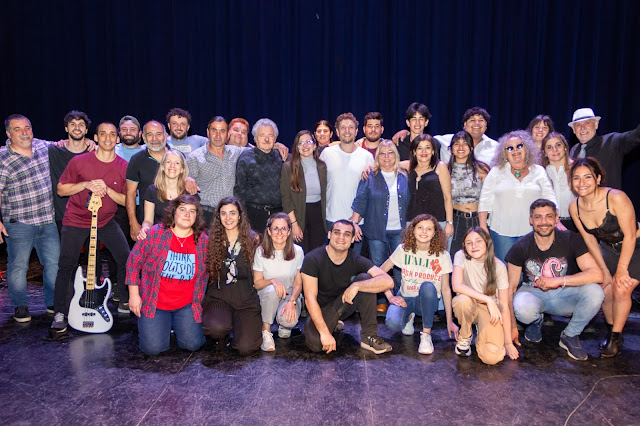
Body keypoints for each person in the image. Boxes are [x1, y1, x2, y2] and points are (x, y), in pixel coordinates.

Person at [50, 122, 130, 336]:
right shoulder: (79, 162)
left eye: (112, 134)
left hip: (105, 221)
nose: (107, 138)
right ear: (95, 137)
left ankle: (125, 299)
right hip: (76, 220)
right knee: (66, 265)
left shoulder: (123, 166)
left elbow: (127, 201)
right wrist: (85, 184)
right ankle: (60, 313)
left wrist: (108, 190)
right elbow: (61, 189)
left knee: (125, 257)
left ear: (117, 139)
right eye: (103, 134)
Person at [506, 199, 604, 360]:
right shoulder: (520, 246)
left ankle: (570, 335)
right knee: (523, 309)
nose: (543, 222)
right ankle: (536, 322)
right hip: (533, 292)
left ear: (556, 218)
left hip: (564, 293)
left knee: (595, 292)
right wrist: (511, 326)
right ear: (531, 220)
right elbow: (510, 289)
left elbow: (597, 274)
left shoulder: (571, 239)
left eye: (548, 216)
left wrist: (559, 281)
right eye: (538, 217)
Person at [569, 158, 640, 357]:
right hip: (608, 249)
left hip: (635, 247)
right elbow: (590, 240)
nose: (582, 183)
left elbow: (630, 235)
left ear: (598, 178)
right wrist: (604, 270)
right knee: (605, 288)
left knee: (621, 288)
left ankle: (616, 338)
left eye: (587, 177)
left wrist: (622, 269)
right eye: (576, 178)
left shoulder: (616, 198)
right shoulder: (574, 207)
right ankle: (612, 330)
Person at [126, 195, 209, 355]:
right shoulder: (155, 233)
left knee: (193, 344)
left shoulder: (203, 240)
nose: (187, 214)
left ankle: (177, 325)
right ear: (174, 212)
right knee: (153, 349)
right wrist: (134, 295)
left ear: (196, 216)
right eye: (182, 209)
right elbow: (133, 262)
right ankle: (160, 326)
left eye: (192, 211)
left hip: (186, 304)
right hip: (155, 303)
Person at [302, 220, 394, 354]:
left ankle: (369, 337)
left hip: (343, 305)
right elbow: (310, 299)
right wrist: (324, 333)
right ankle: (332, 323)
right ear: (329, 235)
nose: (341, 237)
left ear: (352, 239)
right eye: (337, 233)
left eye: (346, 234)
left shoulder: (355, 259)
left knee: (366, 280)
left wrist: (356, 285)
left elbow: (388, 281)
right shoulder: (313, 258)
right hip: (320, 310)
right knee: (317, 345)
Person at [0, 114, 59, 322]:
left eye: (27, 128)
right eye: (17, 129)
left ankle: (52, 302)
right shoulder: (3, 158)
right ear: (8, 134)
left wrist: (88, 143)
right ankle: (20, 307)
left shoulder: (43, 147)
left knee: (54, 264)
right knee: (18, 267)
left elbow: (67, 145)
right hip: (19, 223)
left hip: (47, 220)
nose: (24, 132)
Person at [478, 130, 557, 261]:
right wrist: (483, 226)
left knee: (532, 269)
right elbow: (484, 200)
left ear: (527, 149)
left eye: (519, 146)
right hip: (501, 232)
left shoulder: (539, 171)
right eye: (510, 148)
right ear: (504, 154)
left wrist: (555, 220)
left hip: (533, 231)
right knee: (506, 269)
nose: (515, 150)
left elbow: (550, 197)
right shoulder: (495, 172)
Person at [349, 140, 410, 311]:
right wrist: (353, 222)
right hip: (376, 230)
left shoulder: (404, 175)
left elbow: (422, 161)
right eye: (382, 153)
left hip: (400, 231)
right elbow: (360, 200)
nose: (386, 157)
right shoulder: (369, 176)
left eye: (390, 153)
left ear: (396, 155)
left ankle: (401, 302)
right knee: (378, 267)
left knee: (401, 269)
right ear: (377, 157)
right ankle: (381, 301)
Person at [383, 215, 456, 355]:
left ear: (435, 233)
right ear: (413, 230)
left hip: (427, 301)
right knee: (392, 323)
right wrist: (390, 296)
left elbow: (446, 289)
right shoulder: (403, 249)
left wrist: (449, 321)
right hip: (405, 298)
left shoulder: (442, 255)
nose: (424, 232)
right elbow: (380, 273)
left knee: (428, 286)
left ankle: (426, 335)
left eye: (429, 229)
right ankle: (409, 317)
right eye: (420, 228)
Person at [201, 197, 262, 354]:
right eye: (224, 213)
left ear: (240, 216)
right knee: (216, 328)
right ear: (218, 217)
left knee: (246, 348)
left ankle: (238, 325)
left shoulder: (253, 240)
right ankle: (223, 332)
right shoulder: (210, 240)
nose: (228, 218)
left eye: (232, 213)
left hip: (246, 299)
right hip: (219, 296)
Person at [451, 227, 519, 364]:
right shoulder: (461, 256)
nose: (473, 246)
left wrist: (507, 342)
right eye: (469, 243)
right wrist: (488, 299)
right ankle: (465, 334)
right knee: (461, 301)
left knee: (492, 358)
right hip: (469, 304)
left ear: (487, 243)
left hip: (489, 311)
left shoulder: (499, 266)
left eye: (478, 241)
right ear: (465, 246)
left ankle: (483, 334)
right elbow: (456, 286)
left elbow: (504, 306)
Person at [319, 113, 374, 253]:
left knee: (353, 263)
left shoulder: (367, 157)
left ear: (356, 131)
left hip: (357, 222)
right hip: (331, 218)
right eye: (343, 127)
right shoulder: (326, 154)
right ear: (337, 132)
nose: (347, 131)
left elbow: (370, 192)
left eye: (351, 127)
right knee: (331, 262)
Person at [252, 213, 304, 351]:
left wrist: (292, 301)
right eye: (275, 228)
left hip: (289, 294)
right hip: (267, 294)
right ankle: (266, 331)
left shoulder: (298, 251)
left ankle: (284, 325)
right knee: (272, 290)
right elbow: (257, 283)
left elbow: (298, 283)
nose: (279, 233)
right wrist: (273, 281)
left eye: (284, 228)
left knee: (289, 320)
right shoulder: (261, 252)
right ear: (269, 231)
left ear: (289, 231)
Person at [186, 116, 246, 225]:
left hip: (230, 217)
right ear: (208, 132)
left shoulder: (236, 152)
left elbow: (257, 151)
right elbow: (184, 183)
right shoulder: (195, 157)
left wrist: (276, 146)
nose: (218, 135)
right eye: (214, 130)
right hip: (206, 215)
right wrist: (185, 178)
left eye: (222, 131)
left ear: (228, 134)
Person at [567, 107, 640, 190]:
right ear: (574, 129)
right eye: (578, 125)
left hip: (608, 198)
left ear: (596, 124)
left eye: (587, 123)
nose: (582, 128)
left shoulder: (612, 142)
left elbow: (635, 136)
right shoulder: (574, 150)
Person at [280, 130, 327, 253]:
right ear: (297, 147)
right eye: (301, 143)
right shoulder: (288, 167)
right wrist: (294, 224)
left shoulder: (322, 166)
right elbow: (286, 199)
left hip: (318, 215)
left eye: (308, 142)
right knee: (301, 253)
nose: (305, 146)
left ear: (315, 145)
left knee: (317, 254)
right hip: (298, 215)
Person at [234, 118, 284, 233]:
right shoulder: (245, 158)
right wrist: (243, 219)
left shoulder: (281, 156)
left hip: (278, 215)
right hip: (253, 216)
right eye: (262, 135)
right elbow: (239, 191)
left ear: (275, 139)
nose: (266, 139)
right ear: (255, 138)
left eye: (270, 135)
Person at [48, 110, 92, 234]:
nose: (77, 128)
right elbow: (29, 144)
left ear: (86, 130)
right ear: (66, 128)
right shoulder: (53, 151)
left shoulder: (95, 153)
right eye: (73, 124)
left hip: (88, 216)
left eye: (81, 125)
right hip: (61, 216)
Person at [138, 150, 197, 239]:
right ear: (162, 166)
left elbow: (194, 222)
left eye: (177, 163)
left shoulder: (190, 192)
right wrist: (145, 228)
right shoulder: (152, 190)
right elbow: (148, 220)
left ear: (182, 169)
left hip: (183, 238)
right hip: (159, 237)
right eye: (168, 162)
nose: (172, 166)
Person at [407, 134, 454, 247]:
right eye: (420, 148)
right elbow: (390, 164)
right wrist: (372, 166)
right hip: (413, 222)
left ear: (433, 151)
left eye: (427, 147)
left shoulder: (440, 167)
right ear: (414, 151)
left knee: (438, 256)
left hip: (438, 222)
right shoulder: (410, 167)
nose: (424, 151)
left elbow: (447, 197)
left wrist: (449, 223)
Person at [448, 130, 489, 256]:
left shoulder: (481, 168)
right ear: (451, 149)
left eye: (465, 143)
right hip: (455, 220)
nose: (460, 147)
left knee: (479, 257)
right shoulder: (445, 169)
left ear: (471, 148)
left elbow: (488, 198)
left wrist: (484, 223)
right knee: (454, 257)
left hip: (477, 219)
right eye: (457, 144)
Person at [126, 121, 169, 240]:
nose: (154, 139)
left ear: (166, 136)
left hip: (176, 222)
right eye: (150, 134)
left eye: (158, 134)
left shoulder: (176, 157)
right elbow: (130, 193)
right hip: (148, 224)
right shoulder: (137, 160)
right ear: (143, 137)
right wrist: (133, 223)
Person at [542, 132, 575, 231]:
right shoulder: (541, 172)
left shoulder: (577, 168)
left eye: (558, 145)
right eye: (549, 147)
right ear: (544, 152)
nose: (555, 150)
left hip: (576, 223)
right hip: (549, 223)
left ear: (565, 147)